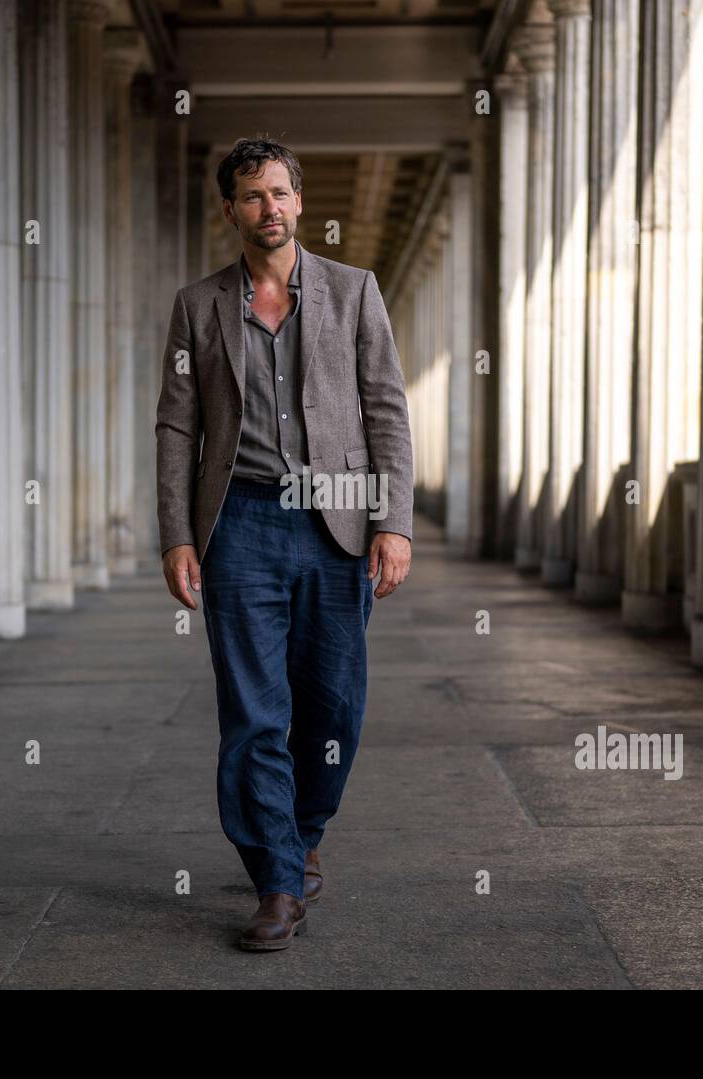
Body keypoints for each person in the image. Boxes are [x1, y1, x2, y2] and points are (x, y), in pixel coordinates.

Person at [155, 137, 414, 951]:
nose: (268, 207)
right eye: (251, 195)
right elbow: (177, 426)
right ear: (229, 210)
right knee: (254, 712)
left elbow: (387, 413)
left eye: (279, 192)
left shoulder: (354, 291)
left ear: (299, 203)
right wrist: (177, 535)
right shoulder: (198, 307)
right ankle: (275, 878)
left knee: (333, 706)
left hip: (336, 523)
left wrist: (393, 520)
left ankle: (298, 837)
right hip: (241, 527)